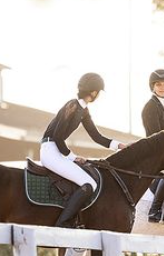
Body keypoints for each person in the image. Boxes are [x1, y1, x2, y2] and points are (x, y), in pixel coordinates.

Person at [40, 72, 126, 227]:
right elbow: (58, 136)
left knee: (87, 180)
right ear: (94, 92)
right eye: (98, 92)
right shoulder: (72, 105)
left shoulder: (83, 111)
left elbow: (96, 136)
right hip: (50, 149)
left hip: (55, 150)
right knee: (89, 183)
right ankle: (63, 223)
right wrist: (72, 157)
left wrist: (120, 146)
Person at [141, 68, 164, 223]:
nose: (163, 87)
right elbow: (155, 135)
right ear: (153, 87)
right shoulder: (150, 107)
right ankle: (154, 210)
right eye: (159, 84)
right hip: (155, 152)